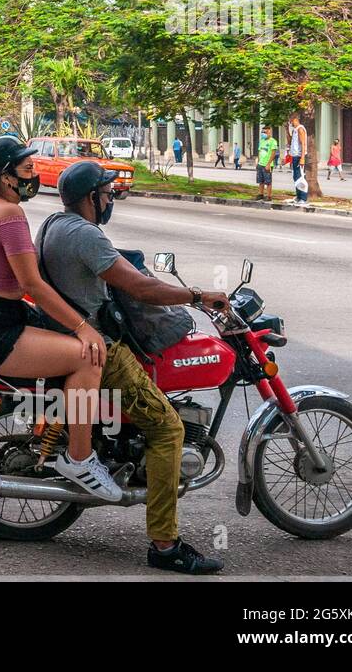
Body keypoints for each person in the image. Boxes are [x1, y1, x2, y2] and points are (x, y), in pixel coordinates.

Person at [36, 160, 228, 574]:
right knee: (168, 427)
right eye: (106, 194)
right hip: (98, 346)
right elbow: (140, 287)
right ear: (91, 197)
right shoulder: (86, 235)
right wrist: (197, 295)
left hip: (72, 334)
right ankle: (164, 545)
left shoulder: (54, 224)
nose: (110, 199)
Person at [0, 137, 123, 503]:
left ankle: (64, 429)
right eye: (26, 170)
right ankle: (80, 458)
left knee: (66, 348)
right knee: (88, 354)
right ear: (5, 177)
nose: (33, 177)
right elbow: (32, 284)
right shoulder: (9, 214)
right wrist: (82, 327)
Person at [287, 114, 309, 203]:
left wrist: (302, 158)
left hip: (299, 156)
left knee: (300, 177)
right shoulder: (295, 130)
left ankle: (303, 198)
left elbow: (303, 144)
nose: (290, 123)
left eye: (290, 121)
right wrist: (286, 129)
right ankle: (298, 196)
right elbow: (290, 141)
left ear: (295, 119)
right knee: (296, 177)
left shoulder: (300, 129)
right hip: (294, 156)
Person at [255, 126, 279, 201]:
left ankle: (269, 196)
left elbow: (273, 153)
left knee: (268, 181)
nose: (263, 133)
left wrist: (269, 163)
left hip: (267, 164)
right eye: (262, 132)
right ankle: (261, 194)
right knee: (260, 180)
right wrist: (258, 162)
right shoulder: (262, 141)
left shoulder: (273, 141)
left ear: (269, 132)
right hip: (260, 164)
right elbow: (259, 151)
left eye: (265, 132)